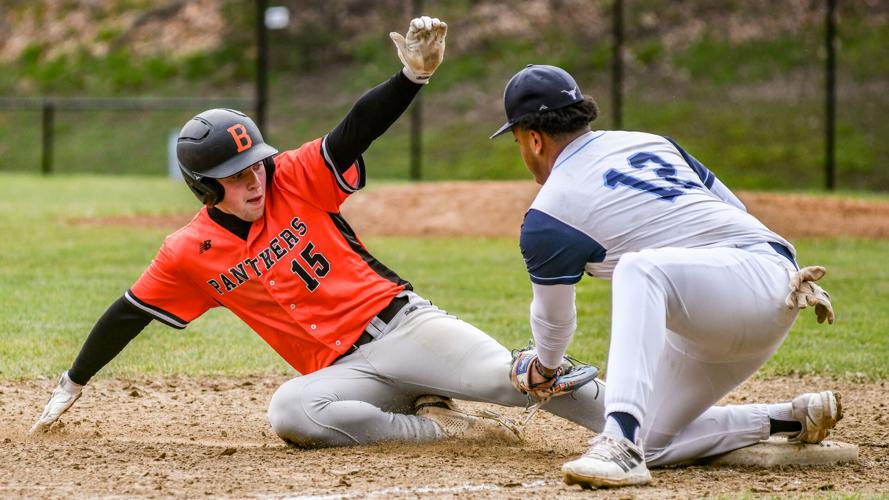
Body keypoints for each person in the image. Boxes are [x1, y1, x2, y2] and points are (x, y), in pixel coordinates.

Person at [31, 17, 612, 447]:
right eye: (235, 176)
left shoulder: (292, 177)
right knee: (294, 414)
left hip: (404, 328)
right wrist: (73, 380)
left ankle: (644, 420)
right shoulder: (188, 252)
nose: (255, 179)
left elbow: (353, 132)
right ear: (205, 188)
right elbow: (129, 312)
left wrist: (410, 78)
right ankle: (448, 430)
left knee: (522, 380)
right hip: (347, 376)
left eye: (255, 163)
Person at [492, 64, 840, 488]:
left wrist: (543, 369)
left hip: (748, 287)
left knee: (640, 266)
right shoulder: (650, 141)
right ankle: (789, 418)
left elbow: (555, 325)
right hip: (765, 288)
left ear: (532, 138)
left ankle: (620, 445)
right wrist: (771, 272)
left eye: (517, 141)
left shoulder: (548, 214)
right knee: (652, 440)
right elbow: (735, 212)